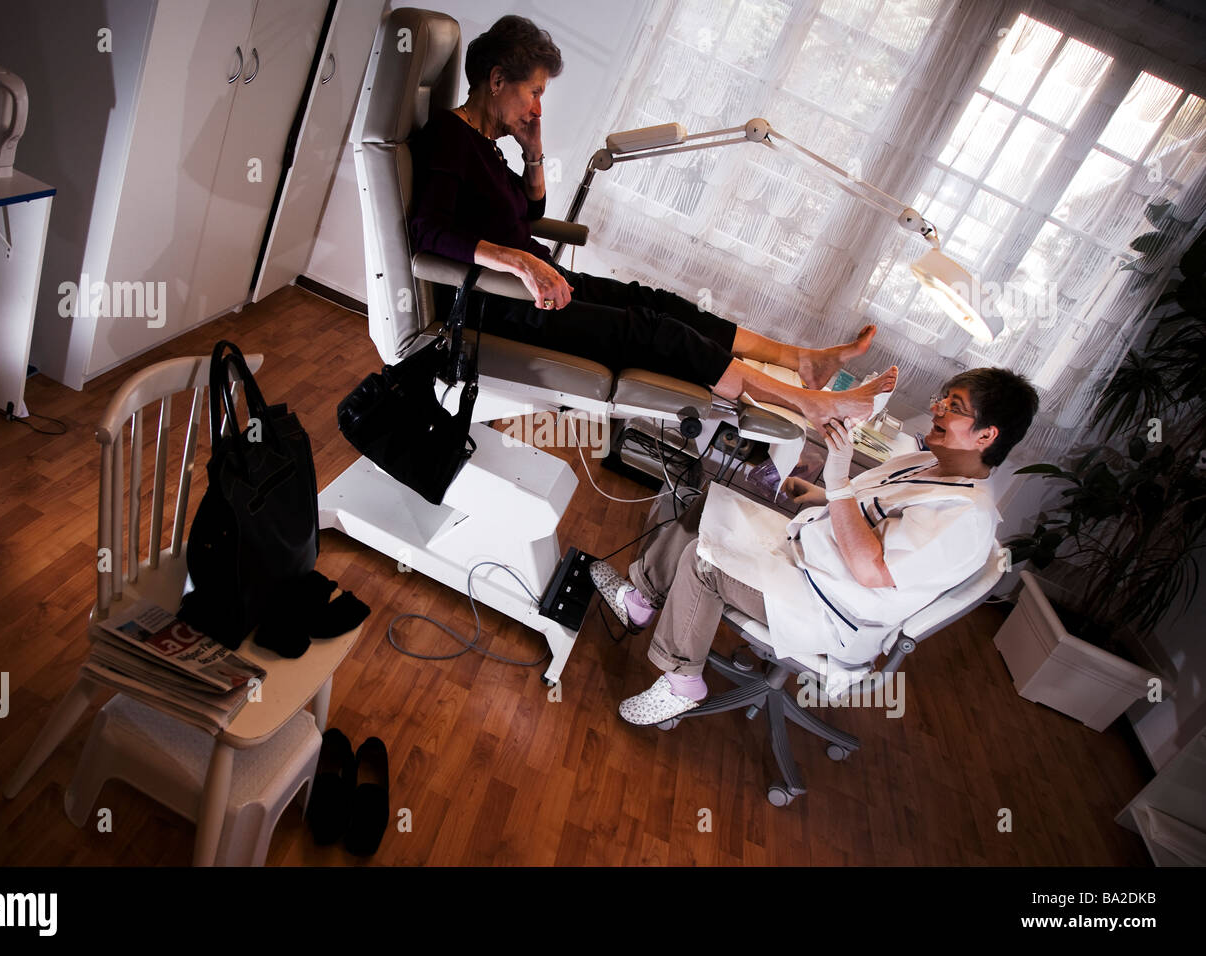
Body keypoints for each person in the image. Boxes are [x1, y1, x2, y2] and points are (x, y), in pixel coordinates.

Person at [407, 14, 897, 429]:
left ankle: (801, 360)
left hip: (526, 291)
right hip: (496, 305)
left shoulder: (487, 144)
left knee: (655, 302)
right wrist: (520, 263)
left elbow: (528, 214)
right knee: (659, 333)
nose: (538, 107)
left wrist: (533, 154)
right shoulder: (451, 136)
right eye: (533, 92)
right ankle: (807, 403)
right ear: (496, 81)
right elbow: (427, 232)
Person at [590, 367, 1039, 725]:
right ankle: (642, 601)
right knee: (714, 502)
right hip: (814, 561)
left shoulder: (967, 517)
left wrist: (839, 482)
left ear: (986, 436)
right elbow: (871, 508)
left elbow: (871, 571)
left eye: (953, 407)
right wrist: (824, 494)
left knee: (704, 564)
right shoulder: (931, 461)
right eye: (943, 399)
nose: (937, 409)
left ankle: (682, 682)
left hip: (834, 609)